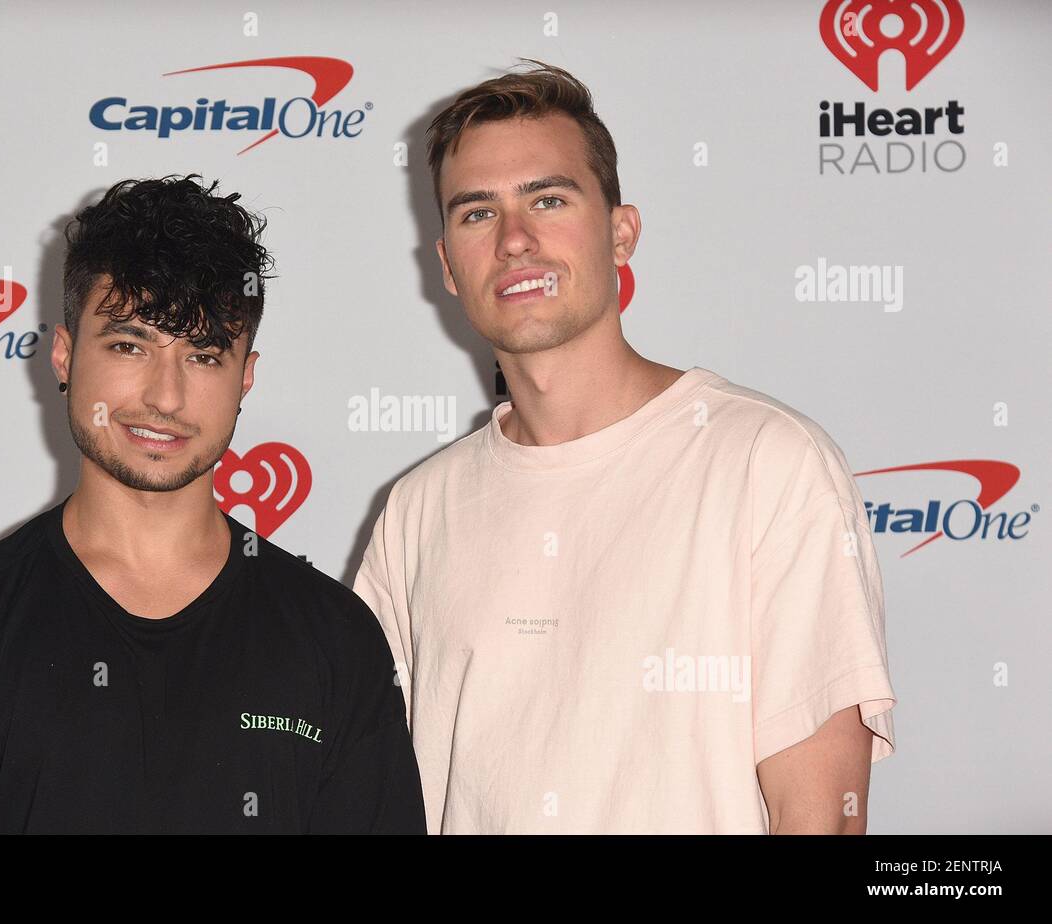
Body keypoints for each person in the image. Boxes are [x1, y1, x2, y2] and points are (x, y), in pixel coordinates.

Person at [351, 62, 896, 834]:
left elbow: (823, 818)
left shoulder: (766, 461)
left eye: (548, 199)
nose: (515, 240)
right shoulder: (418, 508)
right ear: (447, 265)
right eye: (477, 214)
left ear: (621, 231)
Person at [0, 175, 425, 834]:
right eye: (130, 345)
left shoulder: (334, 639)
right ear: (64, 356)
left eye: (203, 355)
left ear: (245, 378)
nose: (165, 397)